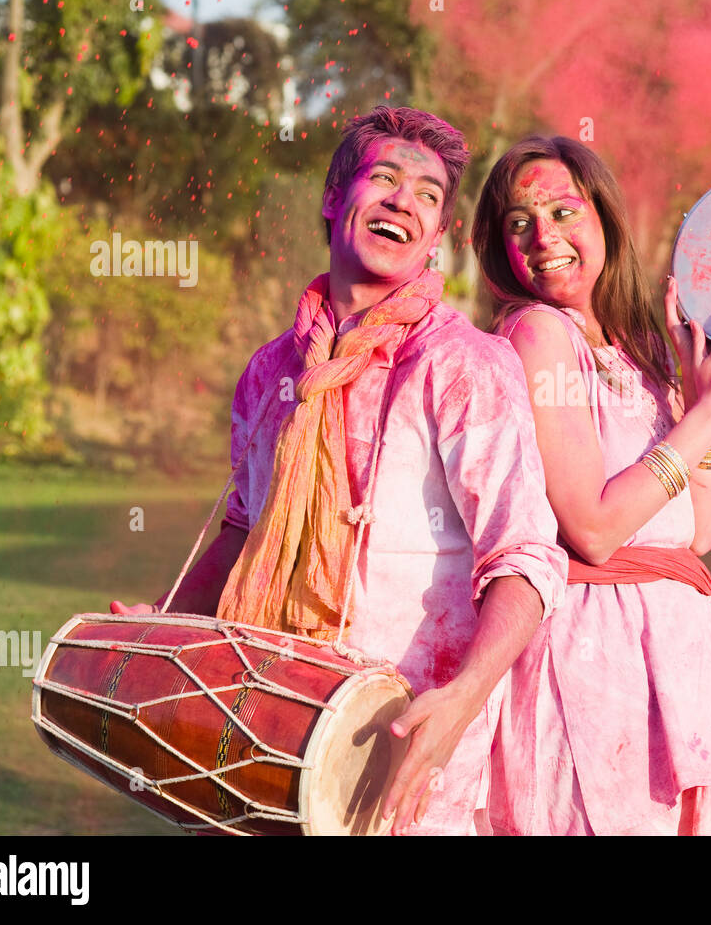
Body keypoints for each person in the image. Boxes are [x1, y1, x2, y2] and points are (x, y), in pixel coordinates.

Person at [112, 107, 567, 836]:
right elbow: (242, 529)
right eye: (383, 179)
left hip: (407, 743)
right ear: (333, 200)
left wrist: (463, 698)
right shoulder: (271, 372)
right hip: (266, 723)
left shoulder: (464, 365)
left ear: (439, 237)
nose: (402, 202)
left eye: (426, 195)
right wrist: (166, 630)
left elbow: (528, 558)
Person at [472, 135, 711, 835]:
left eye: (562, 211)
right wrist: (708, 411)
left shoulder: (640, 348)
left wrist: (707, 410)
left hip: (689, 659)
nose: (542, 236)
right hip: (596, 660)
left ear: (605, 220)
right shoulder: (536, 334)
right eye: (519, 223)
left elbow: (699, 534)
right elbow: (591, 525)